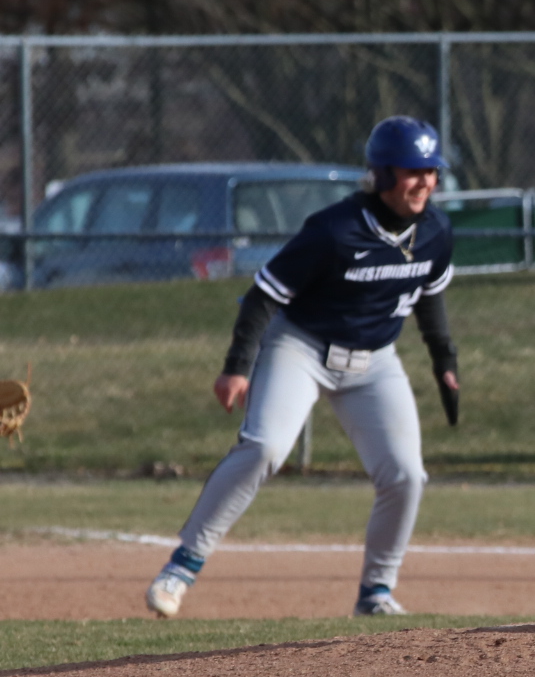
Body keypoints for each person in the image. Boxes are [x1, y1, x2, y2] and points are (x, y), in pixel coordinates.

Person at [144, 117, 461, 619]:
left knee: (405, 474)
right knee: (265, 447)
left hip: (375, 361)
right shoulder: (335, 230)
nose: (424, 182)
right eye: (411, 171)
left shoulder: (437, 231)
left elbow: (431, 295)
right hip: (301, 347)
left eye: (431, 171)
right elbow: (262, 296)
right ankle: (182, 567)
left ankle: (376, 592)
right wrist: (237, 367)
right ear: (381, 174)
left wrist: (444, 361)